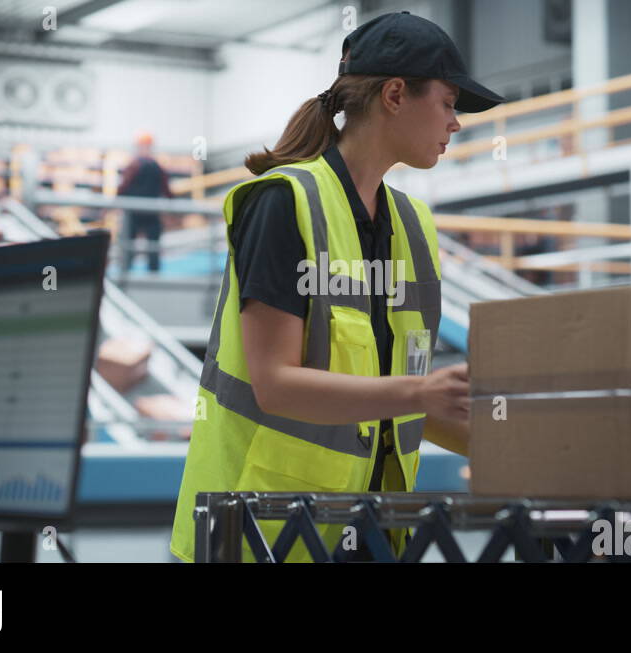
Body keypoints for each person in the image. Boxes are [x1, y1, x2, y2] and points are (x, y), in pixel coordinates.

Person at [170, 11, 505, 563]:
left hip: (366, 535)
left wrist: (549, 453)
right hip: (259, 535)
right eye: (448, 103)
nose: (456, 122)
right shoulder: (281, 202)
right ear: (396, 94)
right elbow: (276, 385)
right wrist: (419, 393)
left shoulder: (414, 226)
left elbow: (403, 408)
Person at [117, 131, 172, 273]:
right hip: (138, 213)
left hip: (144, 213)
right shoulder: (140, 166)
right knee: (130, 245)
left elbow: (122, 187)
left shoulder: (146, 166)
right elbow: (167, 190)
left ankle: (146, 272)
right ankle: (127, 271)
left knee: (149, 246)